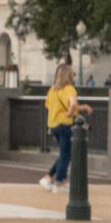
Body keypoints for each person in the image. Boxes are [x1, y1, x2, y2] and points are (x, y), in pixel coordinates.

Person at [42, 62, 79, 191]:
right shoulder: (69, 89)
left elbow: (48, 106)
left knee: (65, 153)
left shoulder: (52, 90)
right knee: (65, 155)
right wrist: (69, 113)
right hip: (64, 125)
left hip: (53, 125)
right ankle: (59, 182)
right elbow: (73, 103)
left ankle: (49, 176)